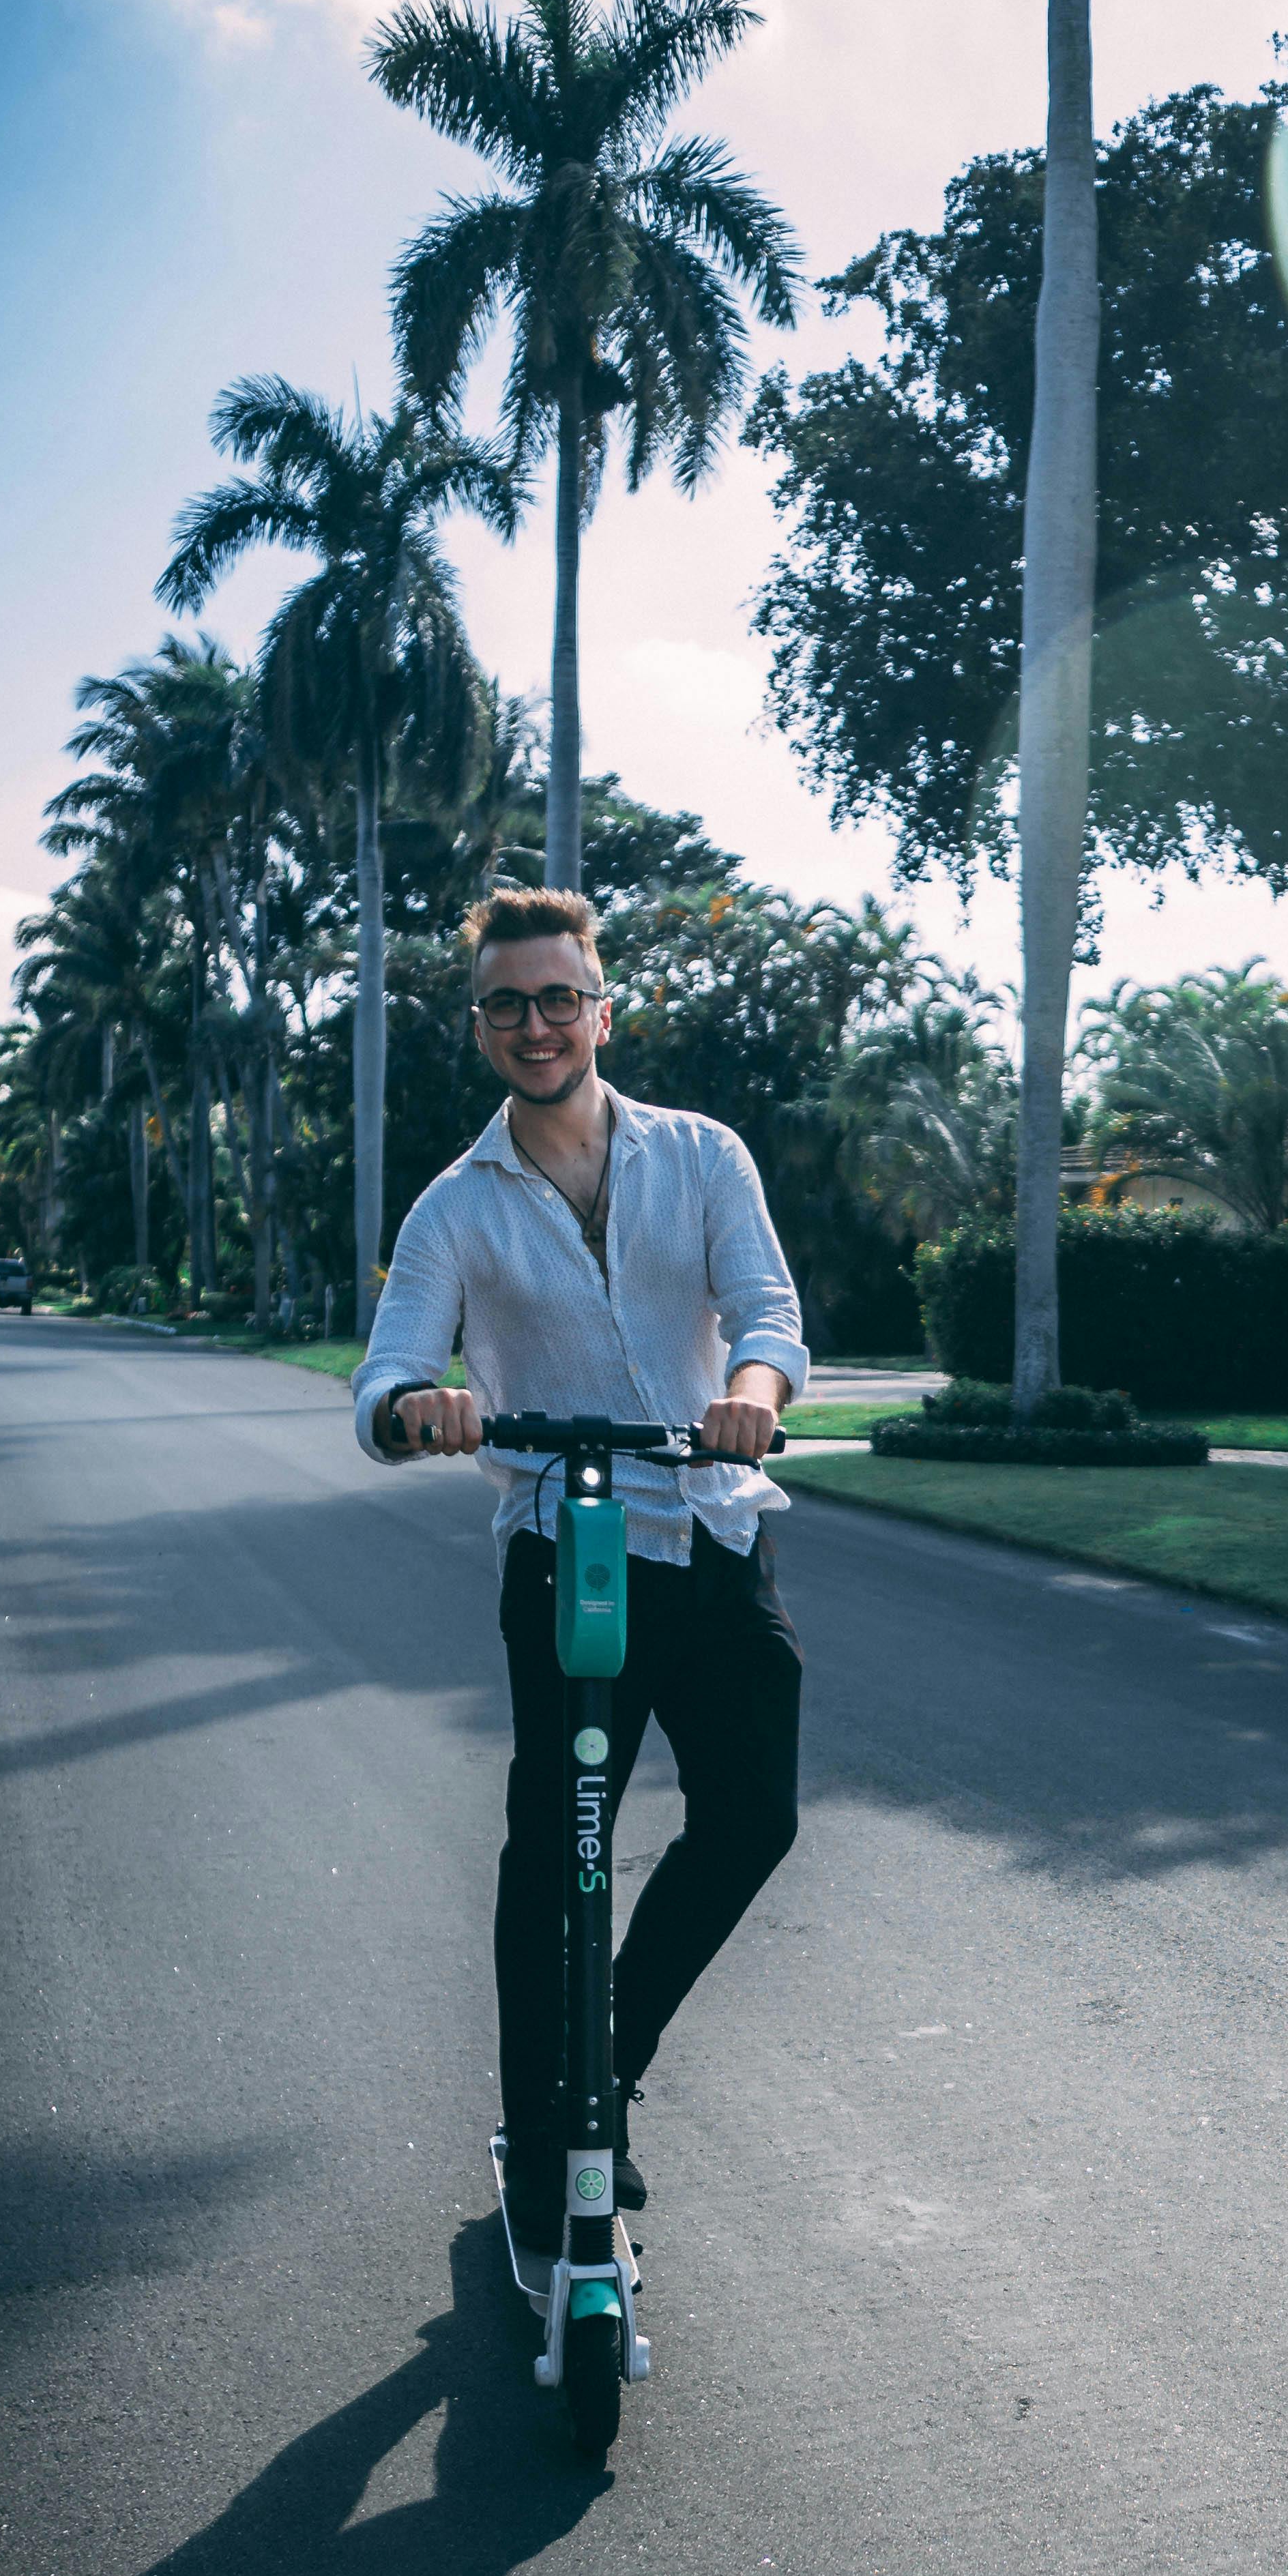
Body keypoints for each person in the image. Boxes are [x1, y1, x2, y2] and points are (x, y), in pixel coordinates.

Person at [352, 886, 806, 2256]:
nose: (536, 1023)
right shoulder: (454, 1208)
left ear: (602, 1011)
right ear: (480, 1026)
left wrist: (749, 1393)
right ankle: (547, 2140)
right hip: (567, 1555)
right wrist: (417, 1409)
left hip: (715, 1530)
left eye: (559, 997)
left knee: (753, 1817)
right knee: (554, 1855)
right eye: (507, 1004)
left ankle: (602, 2066)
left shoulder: (703, 1155)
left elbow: (768, 1313)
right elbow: (386, 1374)